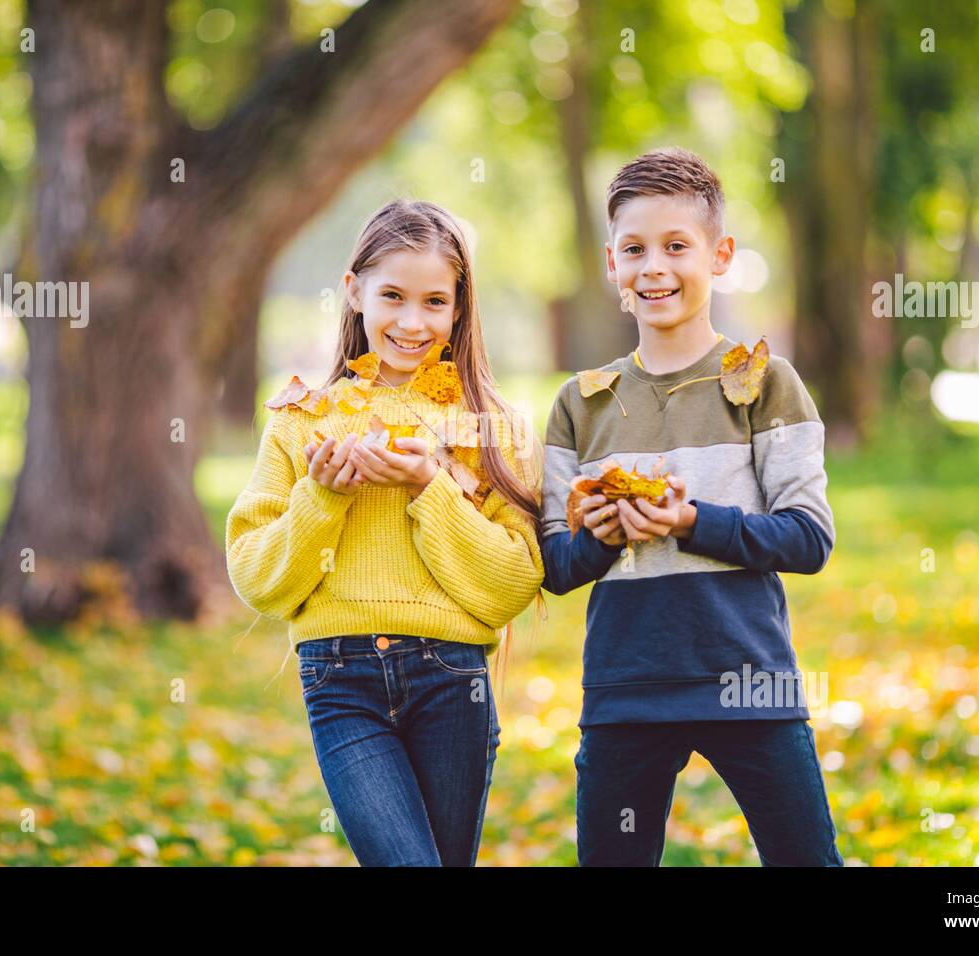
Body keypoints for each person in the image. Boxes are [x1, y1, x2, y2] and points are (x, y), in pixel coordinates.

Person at [539, 147, 845, 866]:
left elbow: (808, 539)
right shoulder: (579, 405)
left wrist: (690, 522)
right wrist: (608, 537)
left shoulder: (767, 383)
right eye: (634, 249)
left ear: (720, 255)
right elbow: (554, 565)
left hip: (747, 677)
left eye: (677, 246)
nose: (655, 268)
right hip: (626, 689)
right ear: (611, 264)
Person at [225, 199, 544, 866]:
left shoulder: (492, 426)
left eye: (435, 301)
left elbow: (511, 582)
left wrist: (430, 485)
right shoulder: (301, 420)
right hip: (341, 680)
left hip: (454, 679)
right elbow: (259, 579)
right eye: (392, 295)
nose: (411, 320)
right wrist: (322, 498)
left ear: (459, 308)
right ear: (353, 292)